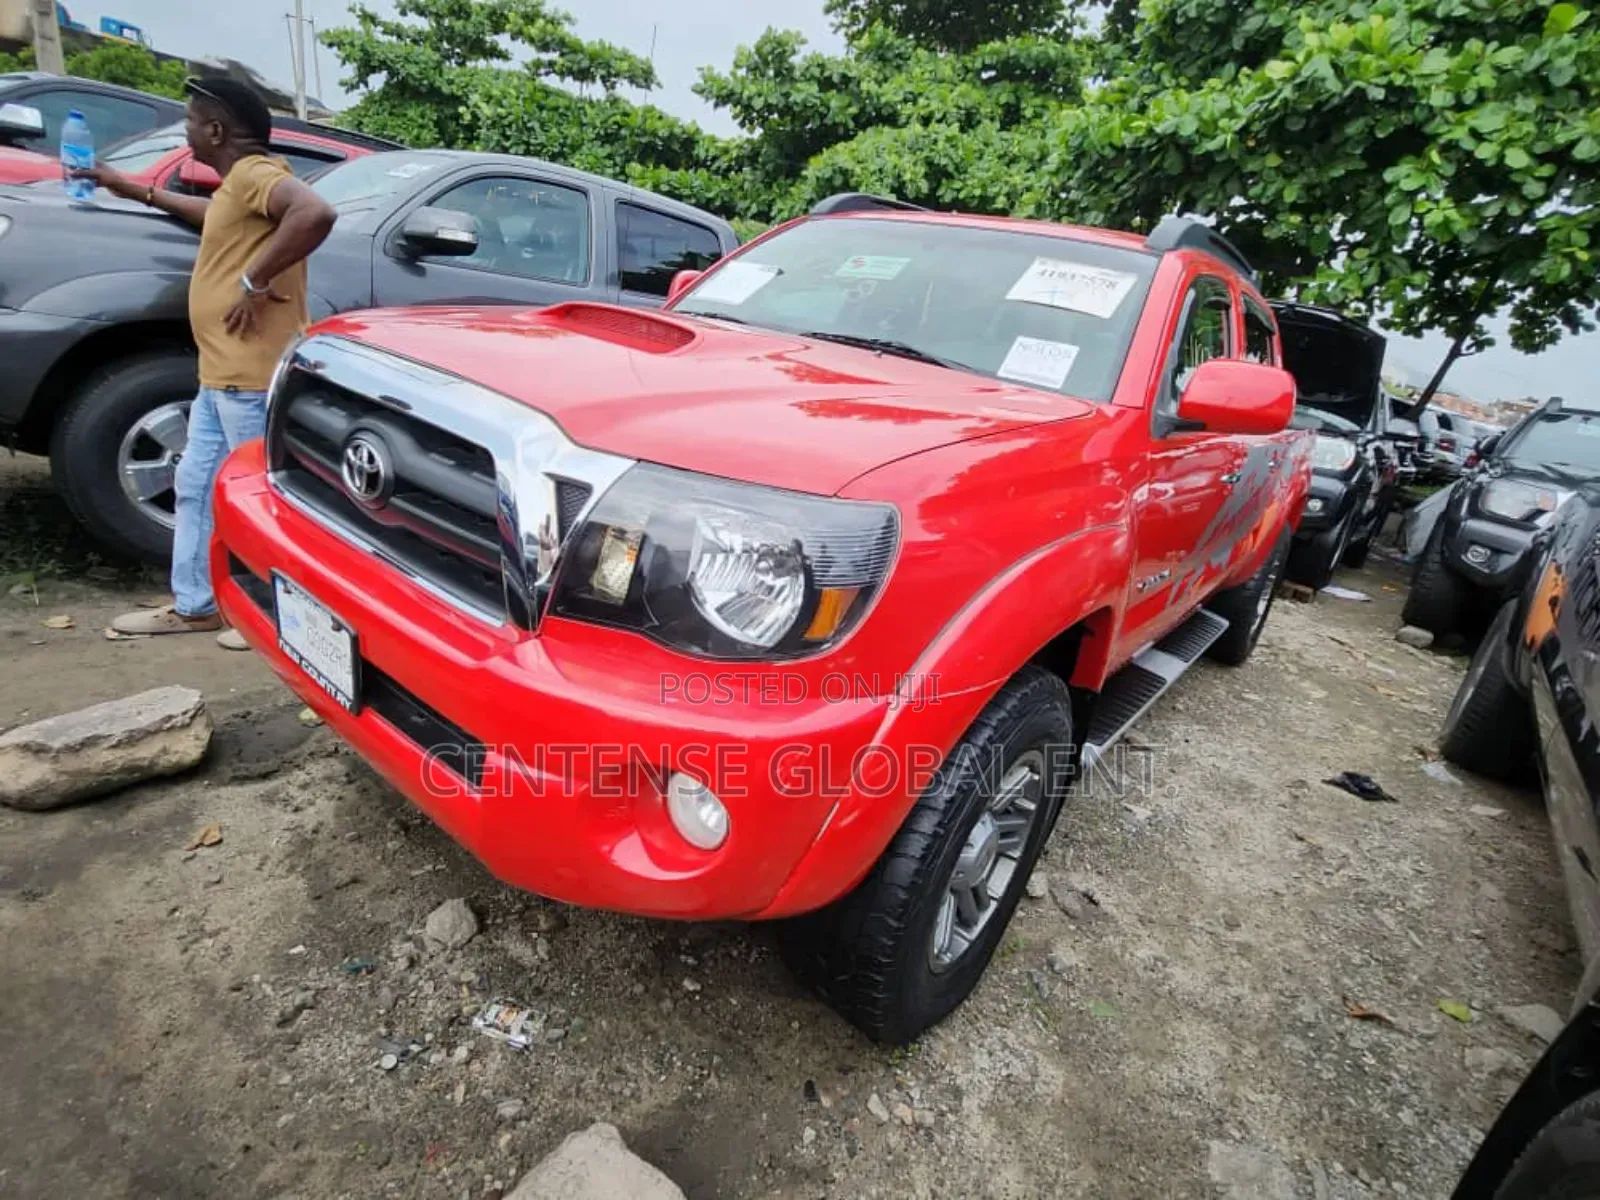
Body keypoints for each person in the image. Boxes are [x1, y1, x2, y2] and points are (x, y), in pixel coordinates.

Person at [77, 76, 336, 647]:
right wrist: (131, 188)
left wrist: (254, 280)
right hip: (220, 378)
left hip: (250, 380)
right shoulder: (236, 187)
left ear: (216, 130)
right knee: (195, 486)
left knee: (265, 501)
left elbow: (315, 213)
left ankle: (280, 619)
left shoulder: (256, 174)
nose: (186, 131)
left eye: (191, 121)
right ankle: (196, 605)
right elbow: (214, 214)